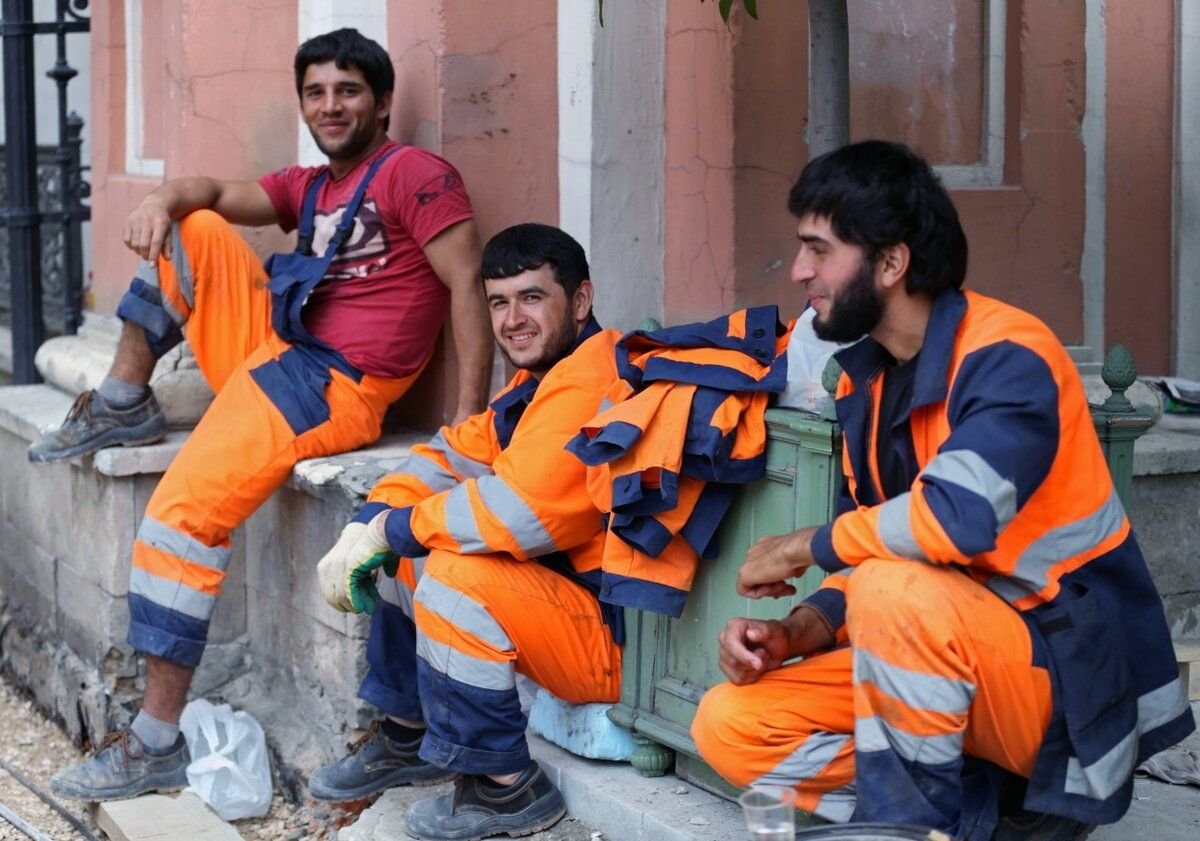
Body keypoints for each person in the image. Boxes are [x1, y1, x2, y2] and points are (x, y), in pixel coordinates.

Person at [689, 140, 1194, 840]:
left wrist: (802, 546)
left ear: (892, 262)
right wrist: (793, 632)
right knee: (729, 724)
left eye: (819, 249)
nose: (801, 271)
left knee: (895, 591)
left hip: (1064, 690)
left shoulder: (1009, 354)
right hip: (947, 661)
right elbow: (869, 560)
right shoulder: (863, 383)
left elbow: (955, 521)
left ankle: (906, 826)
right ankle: (968, 820)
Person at [45, 28, 492, 802]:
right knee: (194, 228)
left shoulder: (412, 172)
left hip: (331, 386)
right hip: (279, 351)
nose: (331, 105)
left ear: (383, 103)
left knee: (179, 516)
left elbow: (469, 285)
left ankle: (154, 741)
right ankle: (123, 399)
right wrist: (157, 198)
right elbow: (211, 192)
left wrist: (466, 423)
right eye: (316, 92)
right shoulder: (313, 184)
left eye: (348, 90)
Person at [312, 223, 624, 840]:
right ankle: (409, 734)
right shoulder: (536, 382)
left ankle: (506, 786)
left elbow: (515, 512)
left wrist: (398, 529)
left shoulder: (590, 382)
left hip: (617, 640)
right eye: (499, 302)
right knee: (405, 555)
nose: (513, 319)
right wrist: (369, 521)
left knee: (452, 571)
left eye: (533, 297)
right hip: (565, 609)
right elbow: (449, 456)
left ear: (580, 301)